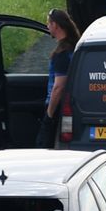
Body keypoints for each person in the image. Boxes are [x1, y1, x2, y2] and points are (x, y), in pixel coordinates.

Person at [36, 8, 80, 148]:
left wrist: (49, 115)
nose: (47, 26)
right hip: (72, 105)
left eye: (48, 23)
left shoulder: (61, 54)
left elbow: (58, 87)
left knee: (44, 146)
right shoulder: (76, 48)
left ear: (55, 25)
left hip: (58, 109)